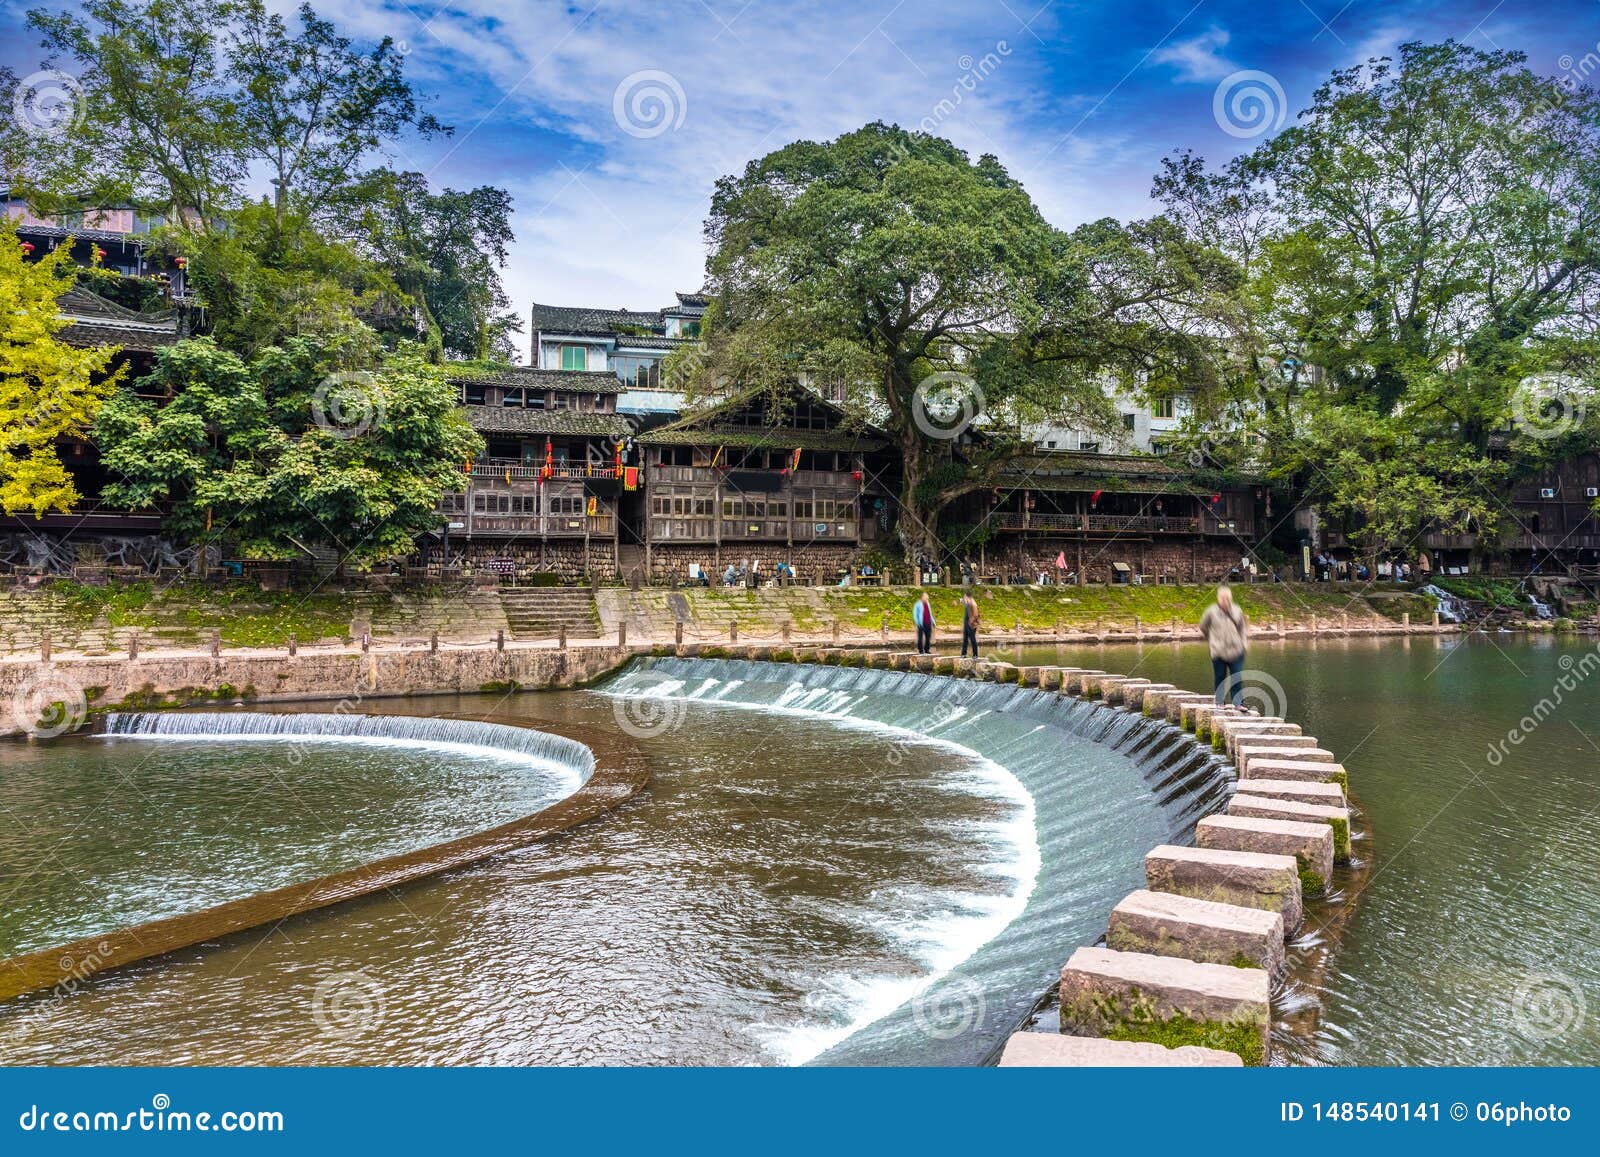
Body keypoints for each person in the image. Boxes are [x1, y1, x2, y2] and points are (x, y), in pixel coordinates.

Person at [1199, 584, 1249, 707]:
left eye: (1228, 598)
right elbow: (1203, 627)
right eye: (1223, 598)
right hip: (1218, 650)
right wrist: (1212, 639)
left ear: (1231, 598)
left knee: (1236, 677)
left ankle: (1238, 703)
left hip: (1236, 649)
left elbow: (1242, 629)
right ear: (1218, 598)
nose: (1225, 600)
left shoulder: (1237, 610)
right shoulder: (1211, 611)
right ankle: (1220, 701)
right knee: (1220, 677)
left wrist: (1244, 644)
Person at [960, 591, 981, 657]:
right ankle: (964, 654)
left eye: (964, 597)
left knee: (972, 639)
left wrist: (970, 622)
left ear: (967, 596)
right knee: (965, 639)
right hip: (966, 623)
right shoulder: (968, 603)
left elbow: (975, 615)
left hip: (971, 624)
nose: (964, 598)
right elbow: (962, 601)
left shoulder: (973, 603)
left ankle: (975, 654)